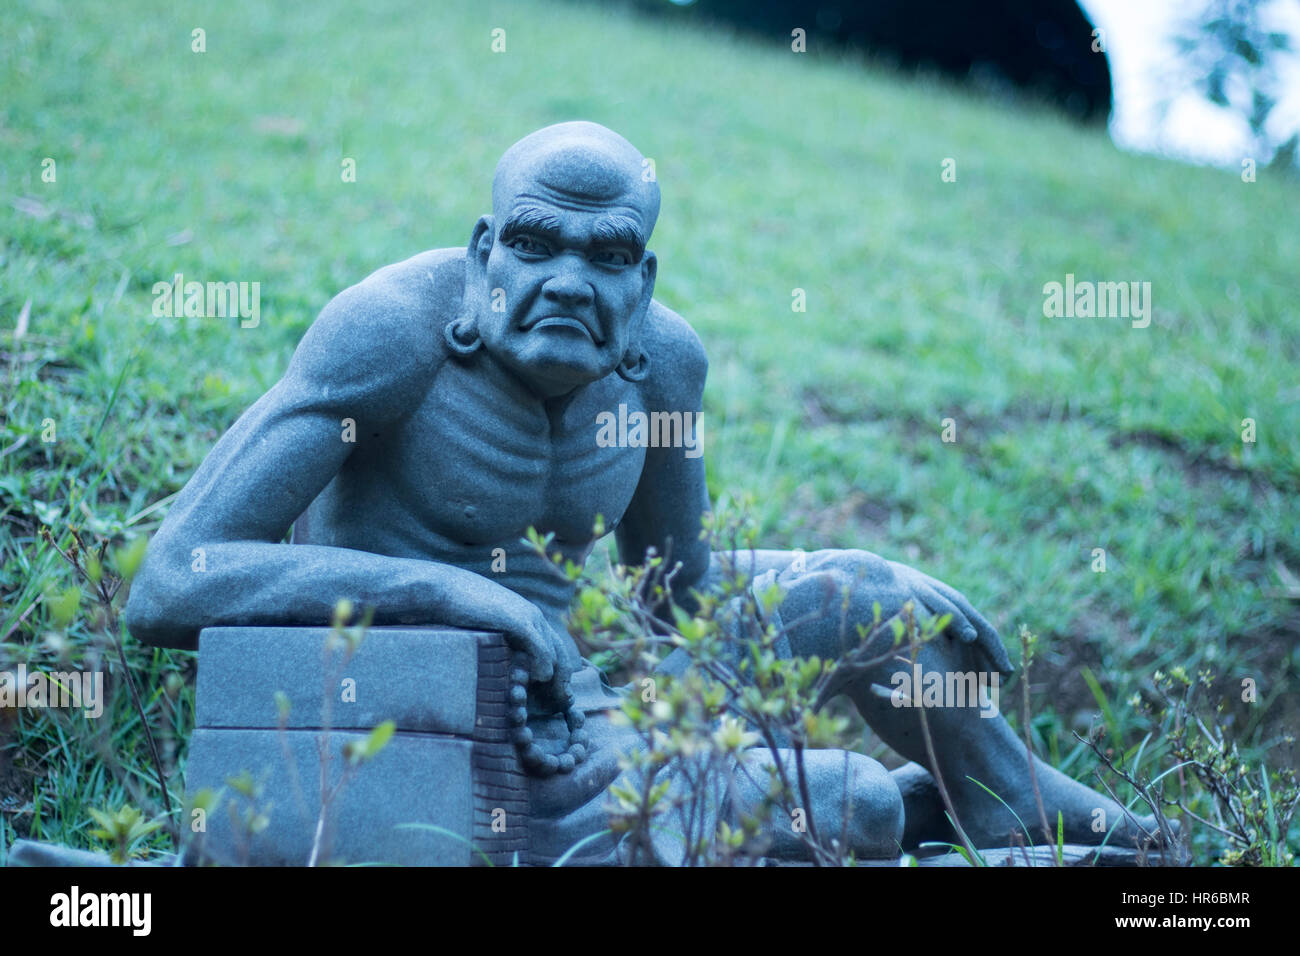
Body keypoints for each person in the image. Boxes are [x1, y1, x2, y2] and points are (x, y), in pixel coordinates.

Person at [126, 121, 1162, 863]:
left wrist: (857, 578)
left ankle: (1000, 802)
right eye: (536, 243)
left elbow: (674, 596)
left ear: (644, 279)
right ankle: (880, 811)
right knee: (847, 806)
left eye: (607, 254)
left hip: (591, 690)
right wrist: (459, 594)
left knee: (858, 592)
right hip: (454, 732)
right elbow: (172, 582)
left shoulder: (660, 367)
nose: (570, 280)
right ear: (486, 252)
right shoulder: (391, 336)